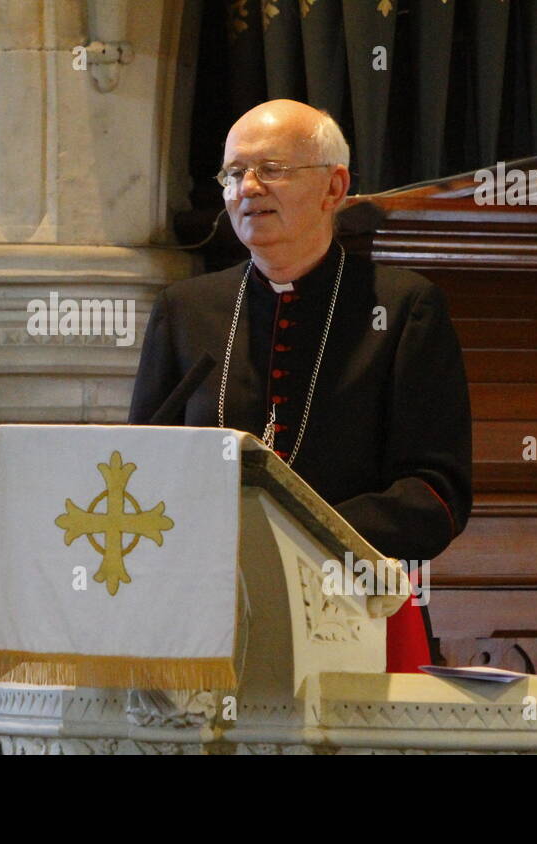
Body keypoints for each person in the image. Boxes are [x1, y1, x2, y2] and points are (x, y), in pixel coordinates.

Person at [128, 99, 472, 671]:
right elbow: (141, 466)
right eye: (234, 174)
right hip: (202, 612)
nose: (247, 188)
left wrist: (295, 537)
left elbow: (436, 495)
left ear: (334, 188)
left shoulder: (402, 307)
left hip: (353, 609)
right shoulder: (187, 310)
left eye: (272, 170)